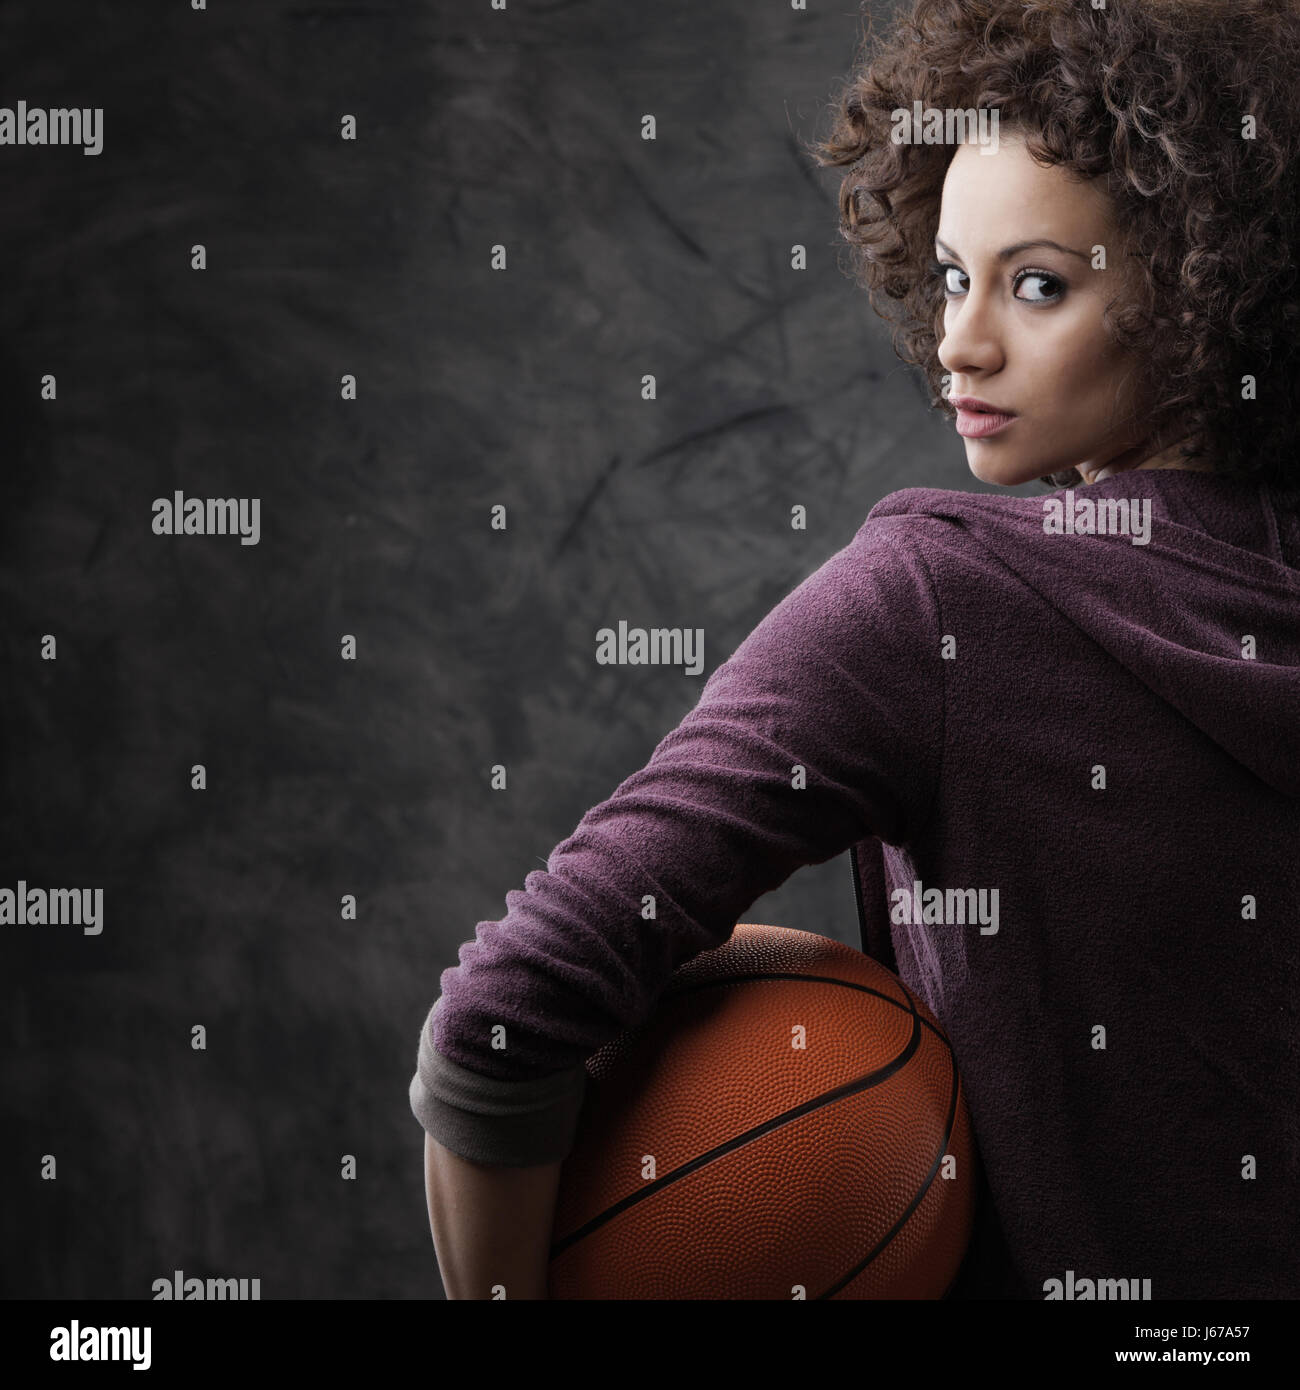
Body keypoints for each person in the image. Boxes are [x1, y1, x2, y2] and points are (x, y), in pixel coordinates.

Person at [413, 0, 1300, 1299]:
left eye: (1037, 283)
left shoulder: (931, 606)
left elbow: (500, 1024)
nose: (959, 343)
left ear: (1207, 284)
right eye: (951, 275)